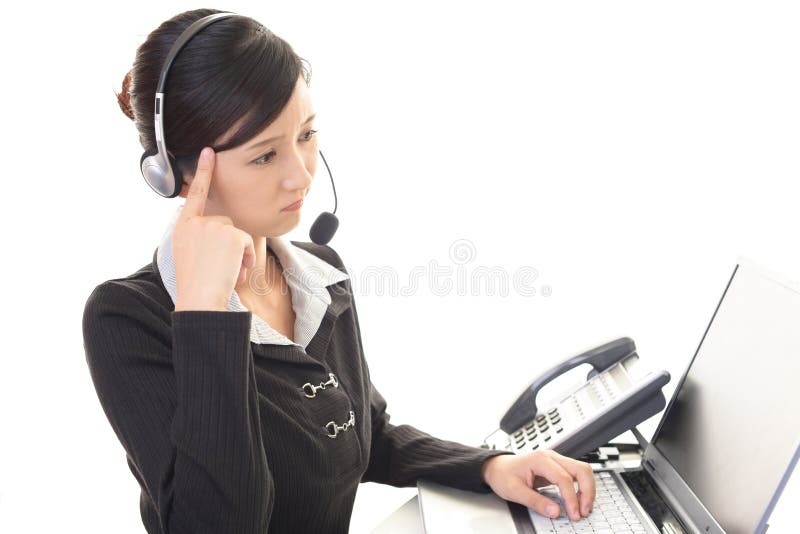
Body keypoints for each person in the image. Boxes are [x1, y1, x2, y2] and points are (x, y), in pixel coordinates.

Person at [82, 8, 596, 533]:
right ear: (176, 172)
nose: (300, 175)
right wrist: (204, 315)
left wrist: (488, 465)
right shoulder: (127, 318)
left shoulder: (320, 275)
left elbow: (364, 435)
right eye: (264, 156)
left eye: (306, 135)